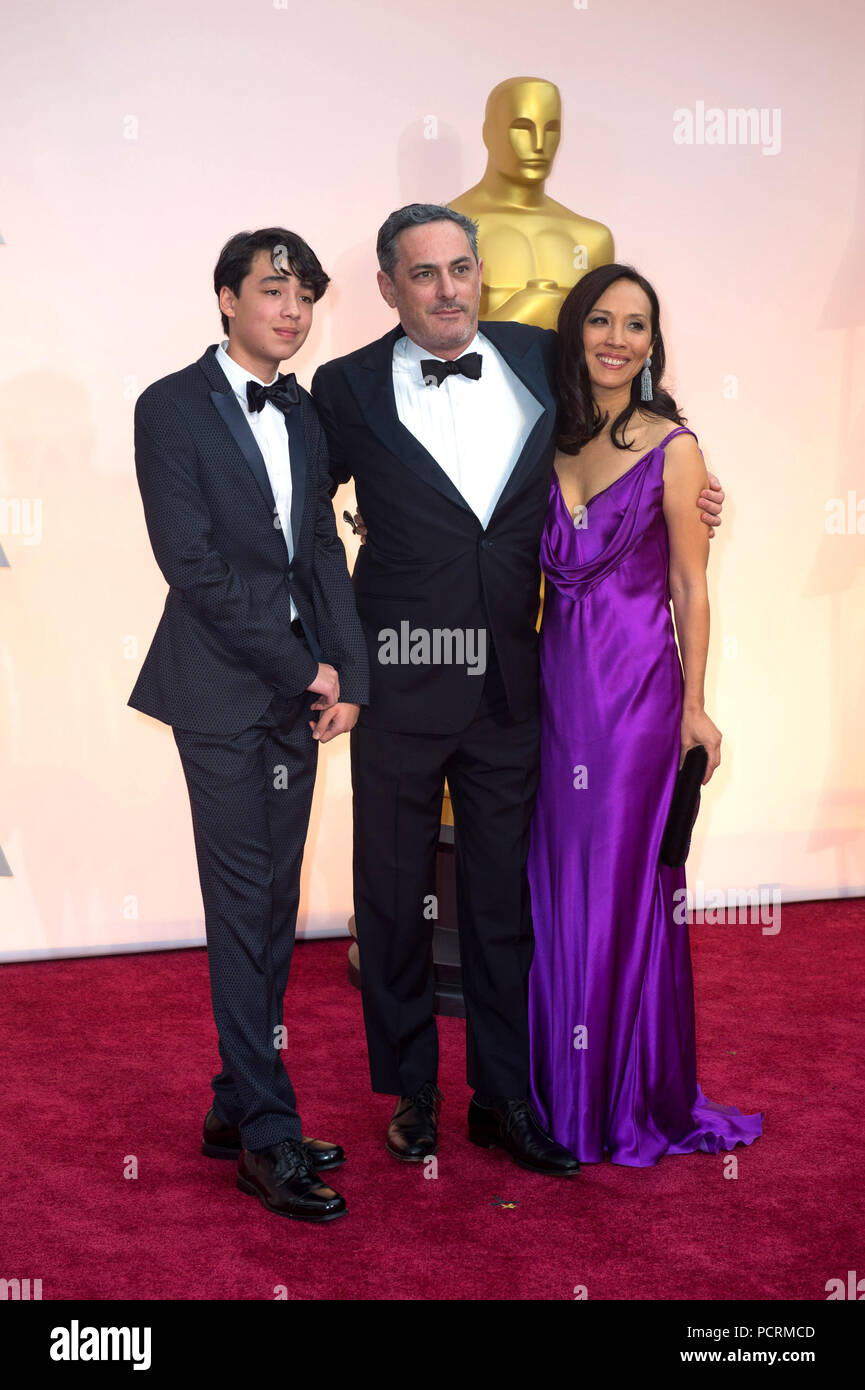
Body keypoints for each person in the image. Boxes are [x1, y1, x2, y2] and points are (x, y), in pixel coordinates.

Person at [312, 206, 723, 1174]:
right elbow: (300, 519)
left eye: (462, 269)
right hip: (401, 684)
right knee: (393, 901)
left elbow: (634, 430)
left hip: (517, 686)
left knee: (504, 904)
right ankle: (410, 1093)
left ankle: (501, 1096)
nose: (448, 289)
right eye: (424, 274)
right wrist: (327, 649)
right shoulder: (345, 388)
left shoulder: (542, 356)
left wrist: (702, 489)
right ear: (387, 286)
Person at [128, 227, 369, 1221]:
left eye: (305, 293)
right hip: (222, 693)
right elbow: (191, 565)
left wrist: (346, 670)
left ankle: (237, 1103)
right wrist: (297, 663)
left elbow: (317, 548)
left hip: (299, 689)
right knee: (242, 908)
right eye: (273, 290)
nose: (292, 309)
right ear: (225, 298)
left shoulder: (305, 416)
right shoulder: (169, 406)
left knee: (274, 904)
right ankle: (268, 1135)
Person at [526, 263, 763, 1164]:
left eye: (636, 325)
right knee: (556, 890)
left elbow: (688, 584)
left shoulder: (675, 448)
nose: (617, 339)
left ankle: (617, 1101)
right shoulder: (542, 440)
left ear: (653, 344)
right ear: (573, 331)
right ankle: (555, 1095)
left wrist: (694, 706)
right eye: (600, 321)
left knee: (621, 893)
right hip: (555, 693)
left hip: (634, 700)